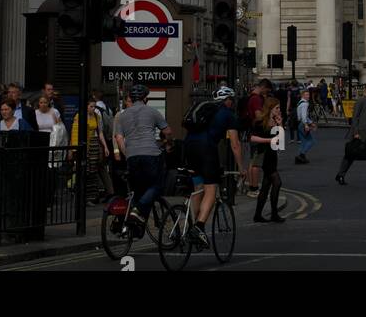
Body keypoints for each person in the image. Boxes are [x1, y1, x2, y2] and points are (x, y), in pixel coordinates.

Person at [184, 85, 246, 249]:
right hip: (206, 150)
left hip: (189, 147)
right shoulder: (228, 114)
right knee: (211, 190)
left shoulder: (204, 109)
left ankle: (190, 225)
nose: (232, 103)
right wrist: (241, 168)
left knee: (198, 187)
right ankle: (199, 227)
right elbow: (235, 144)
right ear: (228, 100)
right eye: (231, 100)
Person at [114, 84, 173, 235]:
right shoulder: (152, 111)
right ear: (145, 98)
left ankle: (135, 228)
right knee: (157, 185)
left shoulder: (123, 115)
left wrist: (127, 154)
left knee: (139, 189)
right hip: (151, 155)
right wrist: (167, 144)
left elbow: (119, 138)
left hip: (132, 157)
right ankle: (137, 210)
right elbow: (167, 131)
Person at [70, 98, 113, 202]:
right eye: (91, 106)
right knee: (86, 170)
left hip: (94, 145)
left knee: (93, 171)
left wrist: (105, 147)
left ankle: (93, 196)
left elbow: (100, 132)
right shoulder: (79, 116)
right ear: (86, 106)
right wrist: (74, 149)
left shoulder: (96, 117)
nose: (93, 109)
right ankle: (82, 195)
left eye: (94, 106)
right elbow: (75, 133)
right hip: (84, 144)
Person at [249, 96, 285, 223]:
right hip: (264, 156)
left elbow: (280, 141)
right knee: (277, 182)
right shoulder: (261, 122)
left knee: (265, 186)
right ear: (270, 108)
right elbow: (252, 138)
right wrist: (268, 140)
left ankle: (257, 215)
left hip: (272, 156)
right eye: (277, 108)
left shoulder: (275, 121)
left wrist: (280, 124)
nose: (279, 110)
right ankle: (274, 214)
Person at [295, 86, 316, 164]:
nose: (308, 96)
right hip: (303, 124)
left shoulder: (300, 102)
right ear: (302, 95)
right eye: (306, 95)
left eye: (308, 94)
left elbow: (302, 116)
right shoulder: (305, 104)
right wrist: (307, 125)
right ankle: (301, 155)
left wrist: (310, 123)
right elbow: (304, 116)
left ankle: (300, 158)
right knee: (311, 141)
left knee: (303, 142)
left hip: (299, 124)